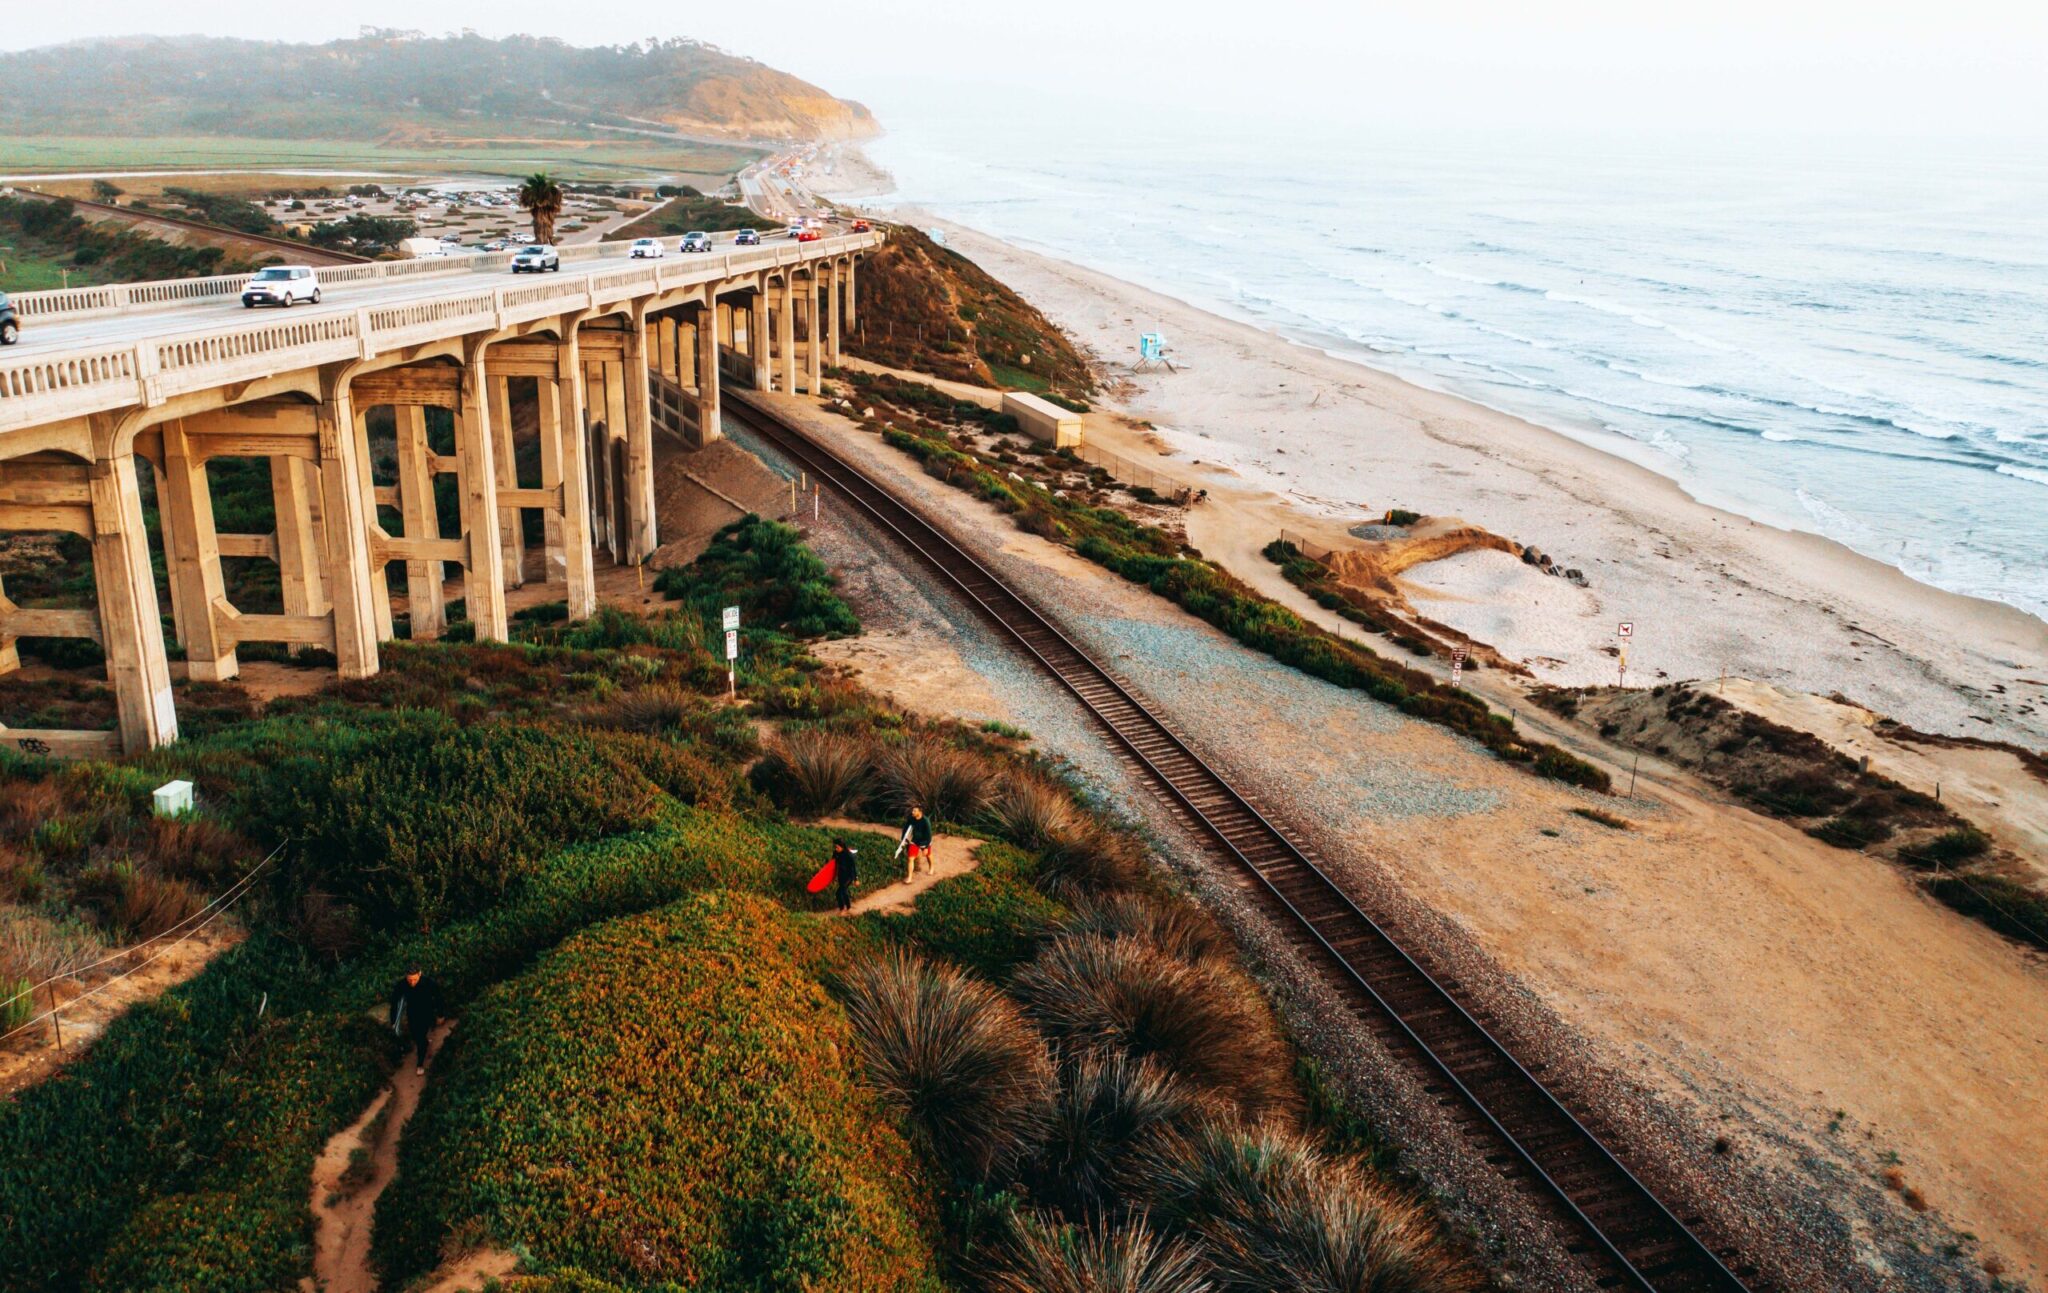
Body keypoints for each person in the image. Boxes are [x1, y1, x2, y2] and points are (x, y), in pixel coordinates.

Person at [387, 966, 444, 1076]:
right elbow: (394, 1002)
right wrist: (393, 1020)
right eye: (409, 980)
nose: (412, 982)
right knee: (416, 1035)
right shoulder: (402, 985)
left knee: (420, 1037)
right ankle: (424, 1044)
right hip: (412, 1013)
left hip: (427, 1012)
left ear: (420, 975)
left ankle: (420, 1063)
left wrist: (440, 1014)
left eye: (414, 979)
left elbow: (438, 997)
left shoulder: (428, 983)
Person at [895, 805, 934, 883]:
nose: (912, 812)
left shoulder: (925, 821)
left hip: (924, 841)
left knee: (928, 855)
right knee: (910, 858)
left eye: (914, 811)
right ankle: (909, 878)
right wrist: (903, 840)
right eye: (912, 811)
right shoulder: (911, 819)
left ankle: (931, 867)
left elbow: (929, 835)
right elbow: (905, 829)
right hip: (914, 841)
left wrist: (926, 847)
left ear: (920, 812)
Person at [831, 838, 859, 914]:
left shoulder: (848, 855)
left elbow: (853, 867)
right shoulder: (836, 853)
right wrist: (832, 876)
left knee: (840, 892)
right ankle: (846, 908)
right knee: (842, 891)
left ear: (842, 847)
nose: (836, 849)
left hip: (849, 876)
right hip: (841, 876)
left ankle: (844, 909)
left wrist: (856, 879)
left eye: (837, 847)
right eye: (835, 847)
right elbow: (832, 864)